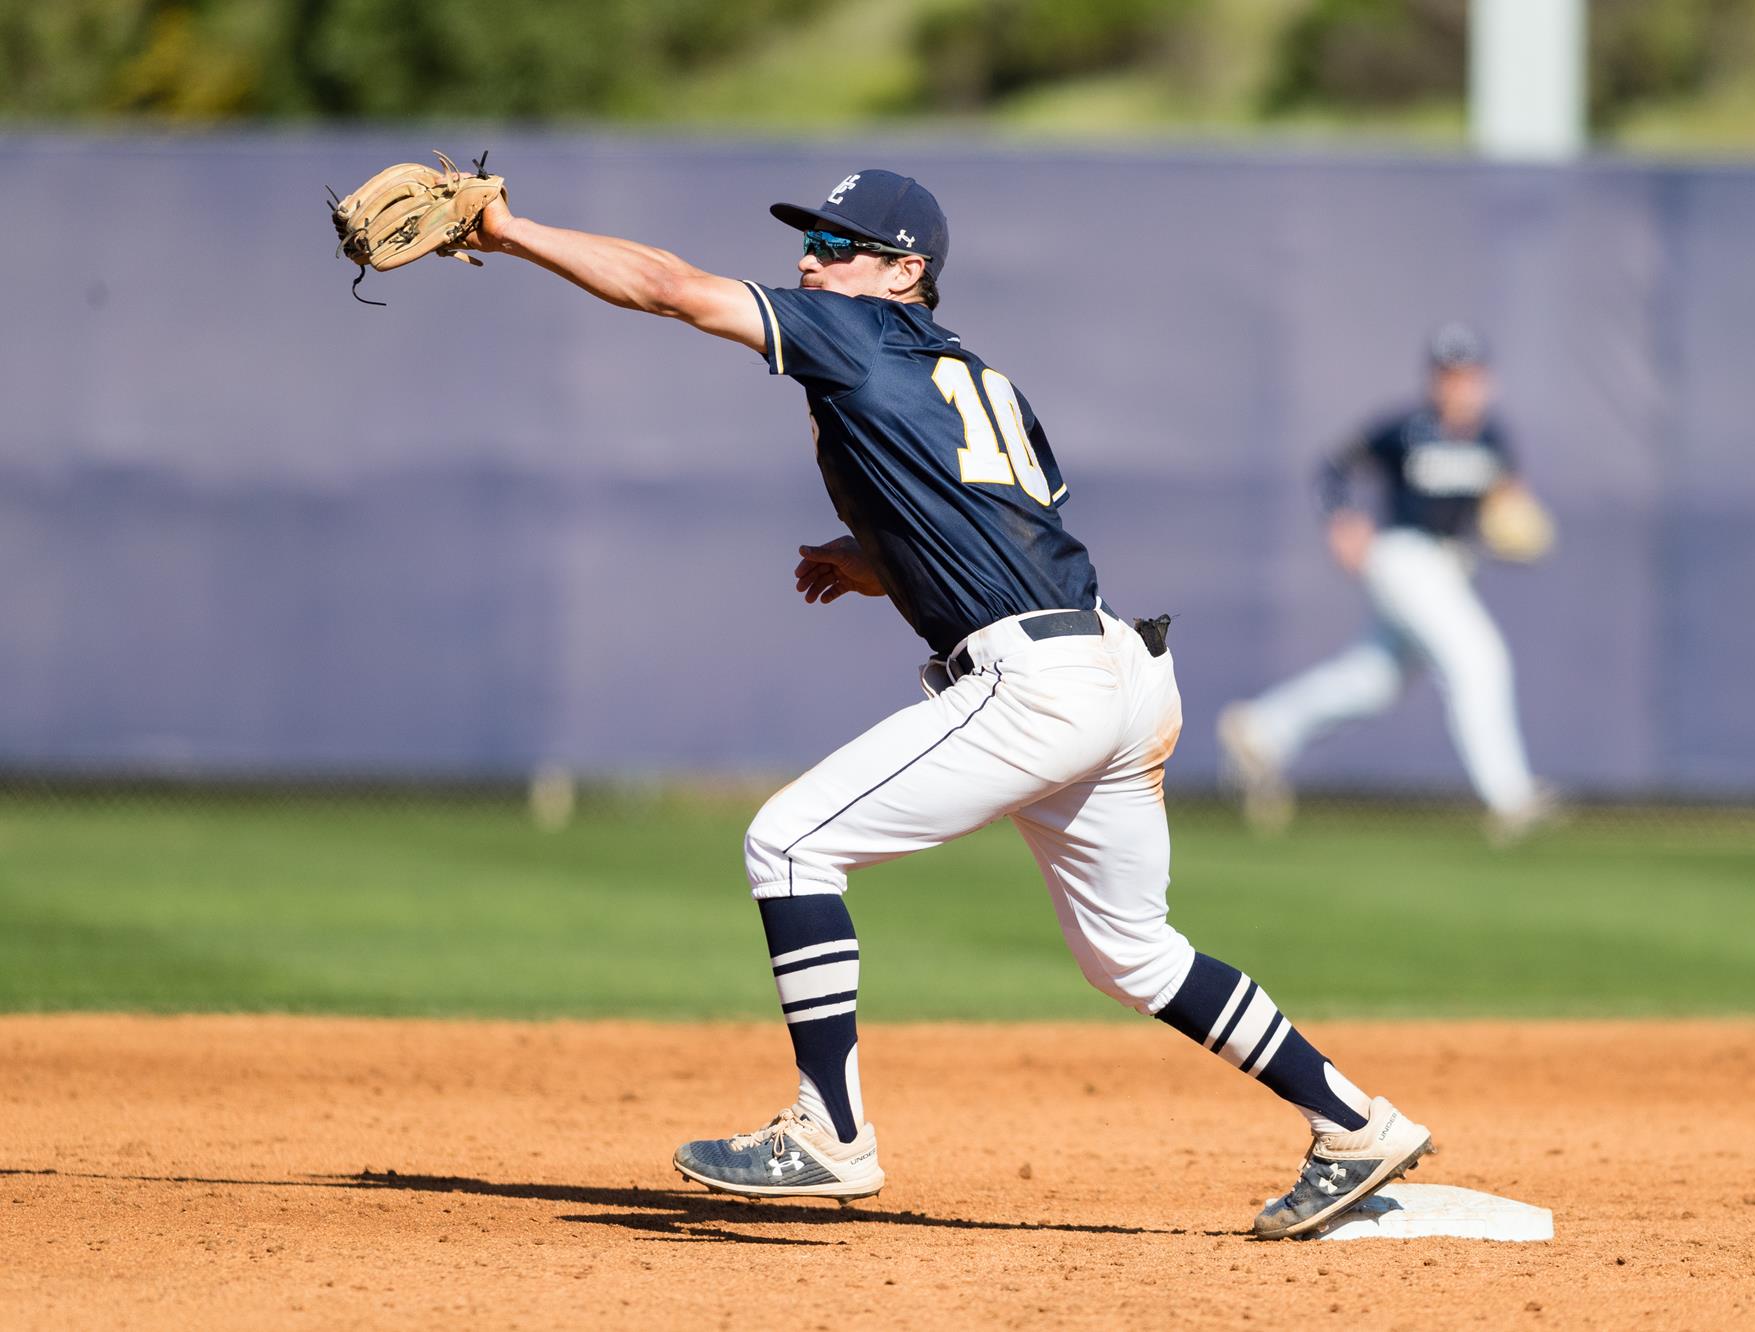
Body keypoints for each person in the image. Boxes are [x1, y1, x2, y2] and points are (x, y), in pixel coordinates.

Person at [461, 167, 1433, 1238]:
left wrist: (509, 232)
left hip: (1040, 684)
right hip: (1120, 668)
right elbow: (1004, 532)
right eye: (810, 241)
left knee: (789, 844)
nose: (811, 261)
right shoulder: (978, 377)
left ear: (903, 272)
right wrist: (877, 558)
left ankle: (830, 1133)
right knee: (1131, 953)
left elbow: (670, 288)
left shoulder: (852, 334)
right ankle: (1356, 1123)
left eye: (839, 246)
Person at [1218, 325, 1555, 841]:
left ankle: (1262, 730)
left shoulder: (1493, 438)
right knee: (1478, 659)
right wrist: (1341, 519)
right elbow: (1332, 467)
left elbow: (1507, 500)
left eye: (1467, 375)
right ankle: (1510, 799)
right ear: (1435, 380)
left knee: (1372, 681)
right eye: (1449, 375)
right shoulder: (1406, 429)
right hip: (1405, 560)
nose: (1458, 386)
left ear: (1485, 381)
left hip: (1452, 566)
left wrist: (1514, 519)